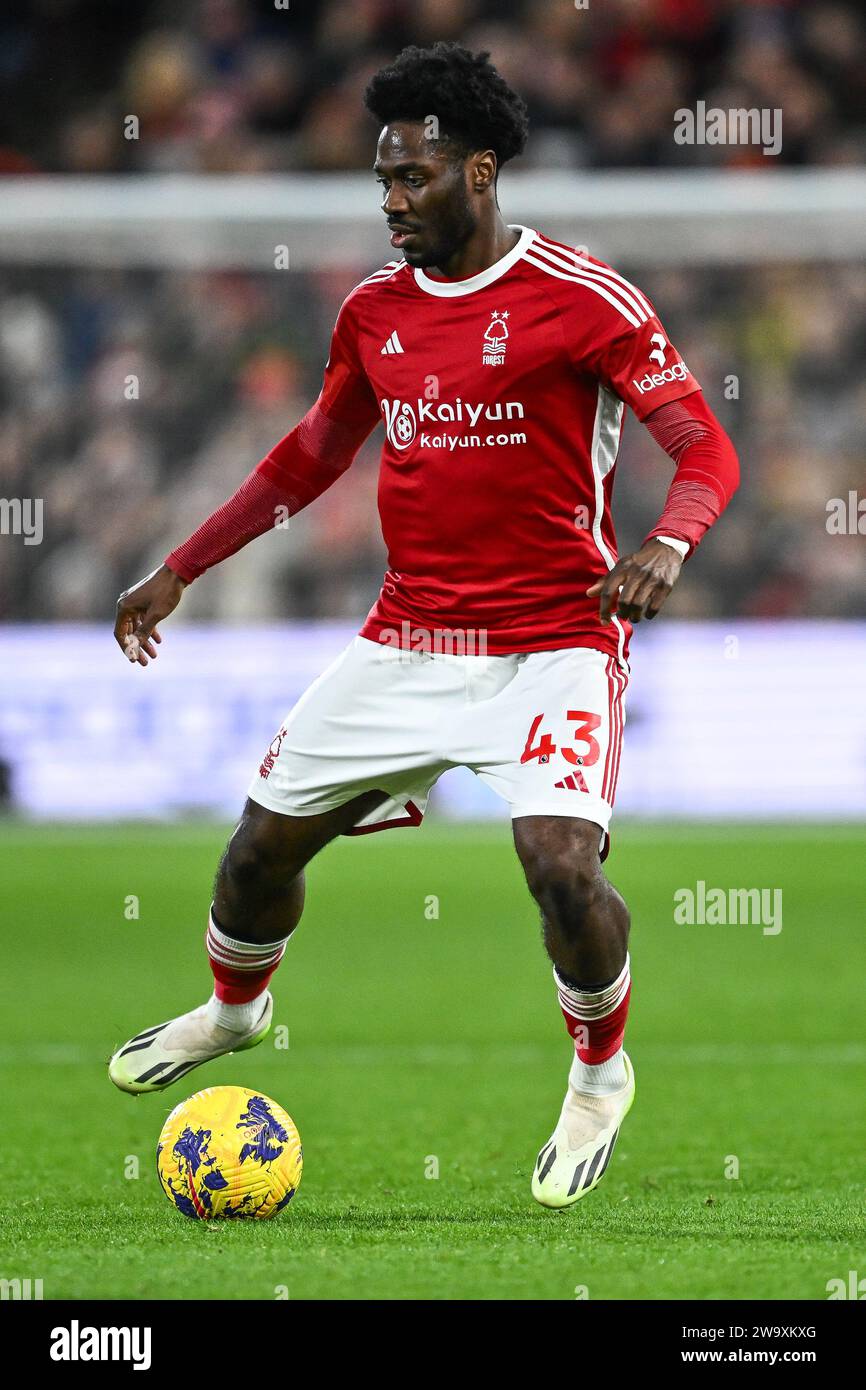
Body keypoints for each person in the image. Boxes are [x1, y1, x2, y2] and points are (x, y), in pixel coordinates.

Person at [109, 43, 738, 1209]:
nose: (391, 200)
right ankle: (235, 1012)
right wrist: (179, 567)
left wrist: (668, 543)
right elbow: (306, 459)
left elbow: (704, 447)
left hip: (556, 641)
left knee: (557, 863)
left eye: (412, 177)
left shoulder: (583, 297)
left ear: (480, 172)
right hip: (407, 640)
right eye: (382, 181)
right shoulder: (373, 313)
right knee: (254, 854)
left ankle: (599, 1074)